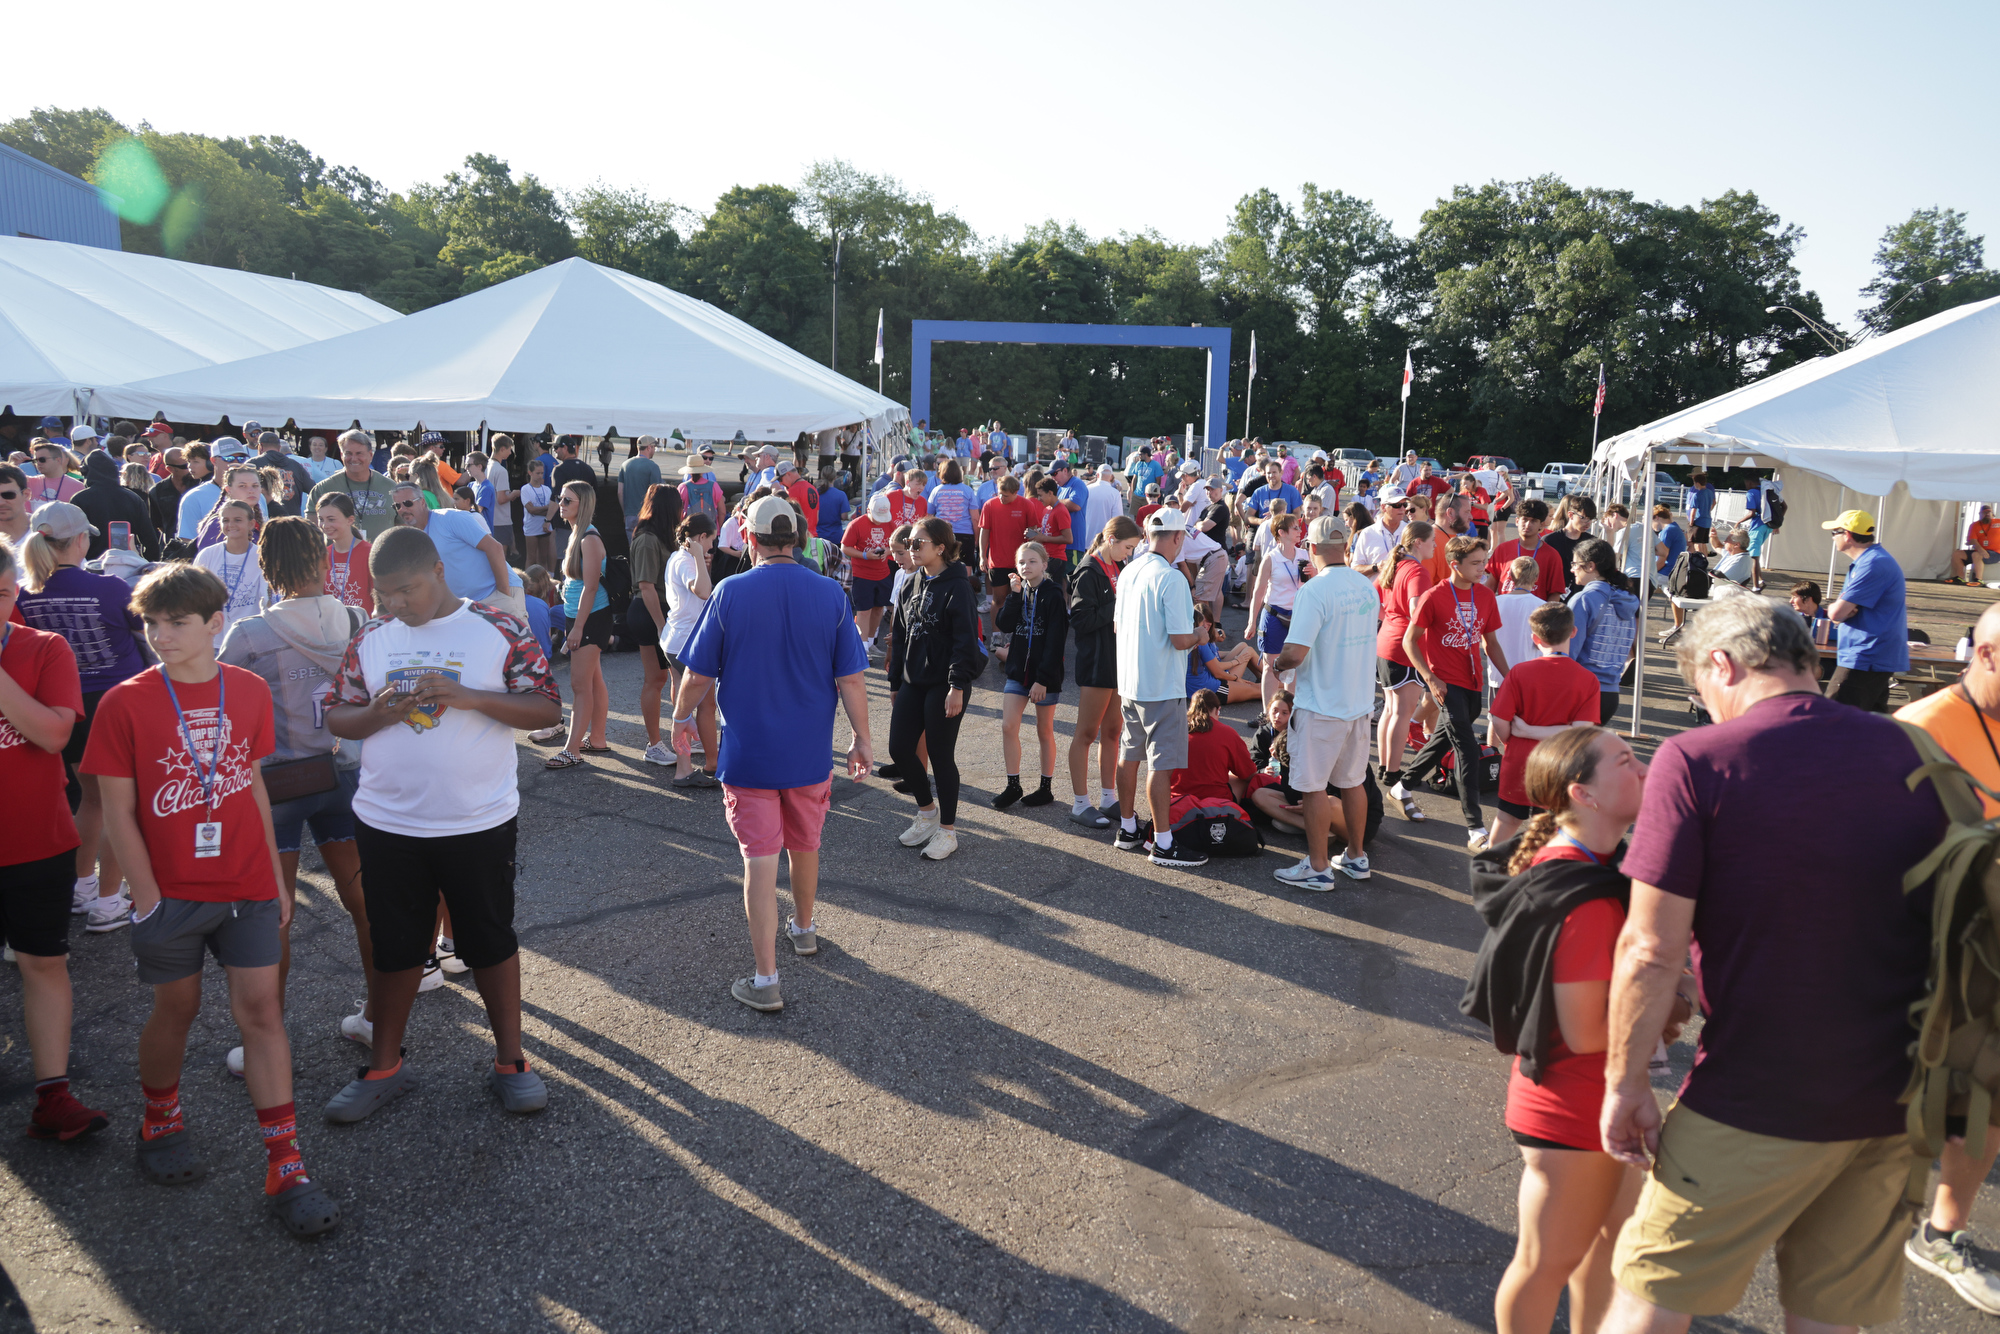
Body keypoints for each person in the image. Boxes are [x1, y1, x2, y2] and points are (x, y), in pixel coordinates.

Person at [1596, 595, 1944, 1332]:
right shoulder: (1913, 750)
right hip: (1894, 1100)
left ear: (1722, 664)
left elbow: (1650, 948)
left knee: (1650, 1295)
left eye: (1698, 688)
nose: (1703, 705)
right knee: (1830, 1318)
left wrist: (1625, 1082)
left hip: (1754, 1098)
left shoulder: (1698, 759)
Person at [84, 562, 340, 1235]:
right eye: (151, 624)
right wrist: (144, 900)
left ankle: (286, 1163)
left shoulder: (248, 690)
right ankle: (160, 1117)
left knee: (261, 1011)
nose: (160, 636)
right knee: (179, 1009)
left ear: (214, 624)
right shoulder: (125, 702)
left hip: (248, 886)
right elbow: (117, 812)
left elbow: (251, 783)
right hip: (169, 894)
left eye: (176, 623)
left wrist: (274, 880)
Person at [323, 525, 560, 1123]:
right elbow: (338, 717)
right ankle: (383, 1068)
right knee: (395, 949)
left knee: (488, 942)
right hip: (386, 823)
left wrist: (471, 696)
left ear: (438, 571)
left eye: (405, 591)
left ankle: (512, 1062)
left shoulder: (497, 628)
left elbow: (546, 708)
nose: (394, 606)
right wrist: (377, 712)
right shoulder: (372, 636)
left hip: (476, 821)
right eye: (384, 595)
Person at [1467, 726, 1660, 1334]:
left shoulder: (1591, 864)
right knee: (1546, 1263)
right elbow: (1583, 1031)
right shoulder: (1586, 898)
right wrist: (1665, 1005)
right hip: (1570, 1104)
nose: (1644, 766)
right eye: (1626, 761)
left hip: (1604, 1094)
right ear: (1585, 794)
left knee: (1607, 1254)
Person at [670, 494, 872, 1012]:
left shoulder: (732, 592)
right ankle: (803, 929)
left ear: (751, 539)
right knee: (805, 846)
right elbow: (851, 677)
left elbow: (697, 675)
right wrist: (863, 739)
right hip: (808, 756)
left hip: (749, 754)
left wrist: (680, 718)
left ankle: (766, 980)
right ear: (800, 537)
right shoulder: (829, 594)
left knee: (759, 863)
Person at [217, 517, 377, 1067]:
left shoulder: (249, 635)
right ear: (321, 558)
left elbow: (221, 707)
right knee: (365, 904)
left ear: (267, 566)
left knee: (272, 915)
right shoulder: (356, 618)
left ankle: (267, 1041)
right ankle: (379, 1019)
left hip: (277, 786)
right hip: (343, 774)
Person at [0, 535, 111, 1142]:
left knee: (44, 962)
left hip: (37, 840)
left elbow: (50, 734)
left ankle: (53, 1095)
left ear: (14, 590)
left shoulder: (45, 648)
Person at [18, 502, 148, 931]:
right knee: (120, 805)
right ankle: (110, 900)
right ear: (79, 541)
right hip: (115, 704)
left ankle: (83, 885)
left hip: (64, 706)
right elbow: (144, 631)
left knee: (90, 798)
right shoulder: (109, 587)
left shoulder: (21, 593)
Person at [1269, 516, 1379, 888]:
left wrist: (1276, 664)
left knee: (1313, 786)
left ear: (1312, 549)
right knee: (1353, 782)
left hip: (1321, 705)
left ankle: (1318, 868)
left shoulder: (1314, 590)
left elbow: (1296, 652)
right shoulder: (1365, 587)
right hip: (1359, 702)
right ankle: (1356, 857)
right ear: (1345, 547)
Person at [1402, 535, 1511, 848]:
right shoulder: (1434, 596)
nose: (1483, 568)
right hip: (1445, 684)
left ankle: (1403, 785)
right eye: (1476, 563)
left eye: (1483, 561)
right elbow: (1410, 640)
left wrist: (1510, 677)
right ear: (1455, 565)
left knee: (1441, 742)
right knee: (1466, 748)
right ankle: (1475, 827)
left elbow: (1490, 643)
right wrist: (1430, 678)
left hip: (1473, 682)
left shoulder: (1486, 596)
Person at [1113, 508, 1206, 868]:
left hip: (1130, 680)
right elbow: (1182, 639)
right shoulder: (1172, 578)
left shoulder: (1130, 569)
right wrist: (1201, 634)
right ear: (1178, 538)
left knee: (1130, 754)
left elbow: (1119, 627)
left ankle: (1127, 828)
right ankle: (1164, 844)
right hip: (1161, 684)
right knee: (1160, 764)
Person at [885, 518, 982, 860]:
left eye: (917, 544)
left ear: (940, 547)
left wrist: (957, 685)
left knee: (941, 757)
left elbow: (965, 642)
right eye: (909, 544)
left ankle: (948, 831)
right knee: (898, 748)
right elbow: (899, 636)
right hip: (913, 681)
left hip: (945, 684)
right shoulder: (911, 582)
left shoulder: (959, 586)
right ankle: (927, 813)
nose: (910, 550)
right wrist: (895, 682)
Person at [1487, 603, 1602, 847]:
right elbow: (1582, 731)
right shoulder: (1587, 680)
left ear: (1535, 638)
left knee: (1507, 819)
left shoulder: (1519, 673)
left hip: (1520, 759)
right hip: (1560, 765)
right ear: (1573, 632)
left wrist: (1519, 736)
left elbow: (1499, 719)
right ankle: (1541, 876)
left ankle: (1489, 870)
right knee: (1550, 828)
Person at [1068, 517, 1140, 829]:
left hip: (1117, 662)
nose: (1129, 554)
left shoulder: (1117, 568)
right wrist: (1119, 604)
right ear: (1110, 539)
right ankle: (1079, 803)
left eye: (1133, 549)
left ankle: (1108, 797)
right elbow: (1081, 620)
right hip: (1097, 662)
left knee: (1112, 732)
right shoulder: (1089, 569)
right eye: (1127, 547)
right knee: (1085, 734)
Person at [992, 541, 1068, 810]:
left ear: (1045, 565)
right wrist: (1013, 595)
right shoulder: (1020, 590)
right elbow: (1004, 624)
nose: (1026, 566)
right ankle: (1013, 785)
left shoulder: (1053, 595)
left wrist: (1043, 679)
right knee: (1008, 726)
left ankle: (1045, 787)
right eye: (1022, 562)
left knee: (1044, 730)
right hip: (1017, 672)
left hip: (1043, 676)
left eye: (1033, 561)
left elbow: (1056, 641)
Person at [545, 481, 611, 769]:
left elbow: (592, 587)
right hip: (580, 616)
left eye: (567, 500)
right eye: (560, 498)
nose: (561, 503)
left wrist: (577, 628)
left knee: (579, 684)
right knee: (593, 680)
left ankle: (572, 749)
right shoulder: (577, 534)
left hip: (591, 618)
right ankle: (596, 738)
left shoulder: (589, 539)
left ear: (582, 505)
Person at [1375, 519, 1437, 821]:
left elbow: (1375, 597)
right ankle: (1393, 772)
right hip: (1404, 646)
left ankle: (1386, 766)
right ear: (1417, 543)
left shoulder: (1395, 565)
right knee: (1400, 711)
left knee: (1391, 709)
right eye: (1432, 541)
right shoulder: (1416, 570)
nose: (1435, 545)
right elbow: (1417, 609)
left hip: (1387, 640)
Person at [1822, 509, 1907, 713]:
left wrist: (1839, 608)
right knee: (1873, 726)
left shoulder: (1873, 564)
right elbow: (1843, 610)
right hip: (1871, 655)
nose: (1833, 538)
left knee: (1832, 718)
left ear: (1848, 535)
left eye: (1834, 532)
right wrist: (1843, 608)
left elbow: (1836, 613)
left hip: (1866, 655)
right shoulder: (1871, 561)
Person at [658, 512, 719, 788]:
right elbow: (704, 592)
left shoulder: (676, 557)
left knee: (682, 705)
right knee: (706, 706)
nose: (711, 548)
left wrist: (700, 560)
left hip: (674, 640)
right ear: (701, 537)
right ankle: (712, 765)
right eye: (710, 541)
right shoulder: (686, 560)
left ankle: (684, 769)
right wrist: (698, 558)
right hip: (688, 643)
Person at [626, 485, 683, 770]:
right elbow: (646, 587)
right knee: (656, 680)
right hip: (650, 613)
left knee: (669, 678)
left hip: (659, 612)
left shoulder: (658, 534)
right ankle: (654, 744)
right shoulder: (648, 538)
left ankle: (680, 737)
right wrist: (662, 627)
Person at [1567, 539, 1641, 727]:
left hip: (1582, 692)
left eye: (1575, 564)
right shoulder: (1627, 599)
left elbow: (1569, 650)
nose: (1572, 569)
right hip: (1611, 693)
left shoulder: (1584, 599)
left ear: (1590, 566)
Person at [1245, 512, 1306, 717]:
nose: (1299, 531)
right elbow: (1258, 592)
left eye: (1299, 527)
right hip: (1274, 616)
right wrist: (1251, 622)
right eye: (1295, 528)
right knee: (1270, 667)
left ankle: (1291, 715)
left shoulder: (1304, 555)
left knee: (1294, 666)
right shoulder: (1271, 558)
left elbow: (1312, 588)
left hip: (1297, 617)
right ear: (1281, 532)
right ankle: (1266, 715)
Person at [307, 431, 397, 542]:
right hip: (338, 558)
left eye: (359, 453)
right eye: (348, 453)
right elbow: (311, 533)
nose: (354, 458)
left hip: (381, 557)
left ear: (370, 455)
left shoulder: (391, 487)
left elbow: (402, 528)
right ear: (341, 455)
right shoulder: (322, 489)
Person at [74, 450, 159, 560]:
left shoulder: (80, 499)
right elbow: (150, 540)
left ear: (86, 472)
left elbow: (72, 539)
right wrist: (147, 567)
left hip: (92, 564)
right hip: (126, 563)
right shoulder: (133, 498)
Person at [1489, 498, 1565, 601]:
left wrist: (1546, 616)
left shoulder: (1552, 555)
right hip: (1505, 612)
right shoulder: (1503, 549)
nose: (1528, 525)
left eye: (1533, 521)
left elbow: (1555, 594)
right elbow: (1490, 586)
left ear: (1541, 525)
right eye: (1524, 519)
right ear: (1517, 521)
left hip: (1535, 614)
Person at [314, 493, 373, 612]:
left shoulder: (370, 553)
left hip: (363, 627)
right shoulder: (322, 555)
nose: (325, 525)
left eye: (331, 519)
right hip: (332, 627)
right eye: (321, 519)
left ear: (350, 520)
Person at [1349, 486, 1409, 578]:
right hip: (1375, 591)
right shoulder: (1367, 533)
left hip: (1401, 590)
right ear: (1384, 507)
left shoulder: (1410, 531)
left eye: (1404, 504)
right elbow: (1355, 569)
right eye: (1396, 505)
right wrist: (1375, 567)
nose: (1402, 509)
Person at [620, 437, 663, 541]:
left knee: (632, 549)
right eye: (653, 447)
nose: (654, 450)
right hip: (647, 516)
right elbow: (657, 494)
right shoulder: (653, 467)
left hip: (629, 515)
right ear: (649, 447)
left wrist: (625, 513)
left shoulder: (625, 465)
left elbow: (620, 492)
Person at [27, 440, 84, 513]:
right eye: (35, 460)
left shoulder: (78, 486)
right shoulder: (29, 482)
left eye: (42, 460)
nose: (38, 463)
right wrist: (13, 463)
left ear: (58, 460)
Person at [1682, 472, 1716, 553]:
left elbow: (1693, 510)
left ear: (1697, 483)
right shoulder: (1709, 492)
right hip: (1707, 520)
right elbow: (1713, 502)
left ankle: (1699, 560)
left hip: (1699, 521)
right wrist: (1708, 510)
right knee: (1703, 543)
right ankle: (1704, 560)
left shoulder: (1697, 495)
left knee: (1696, 543)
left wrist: (1691, 522)